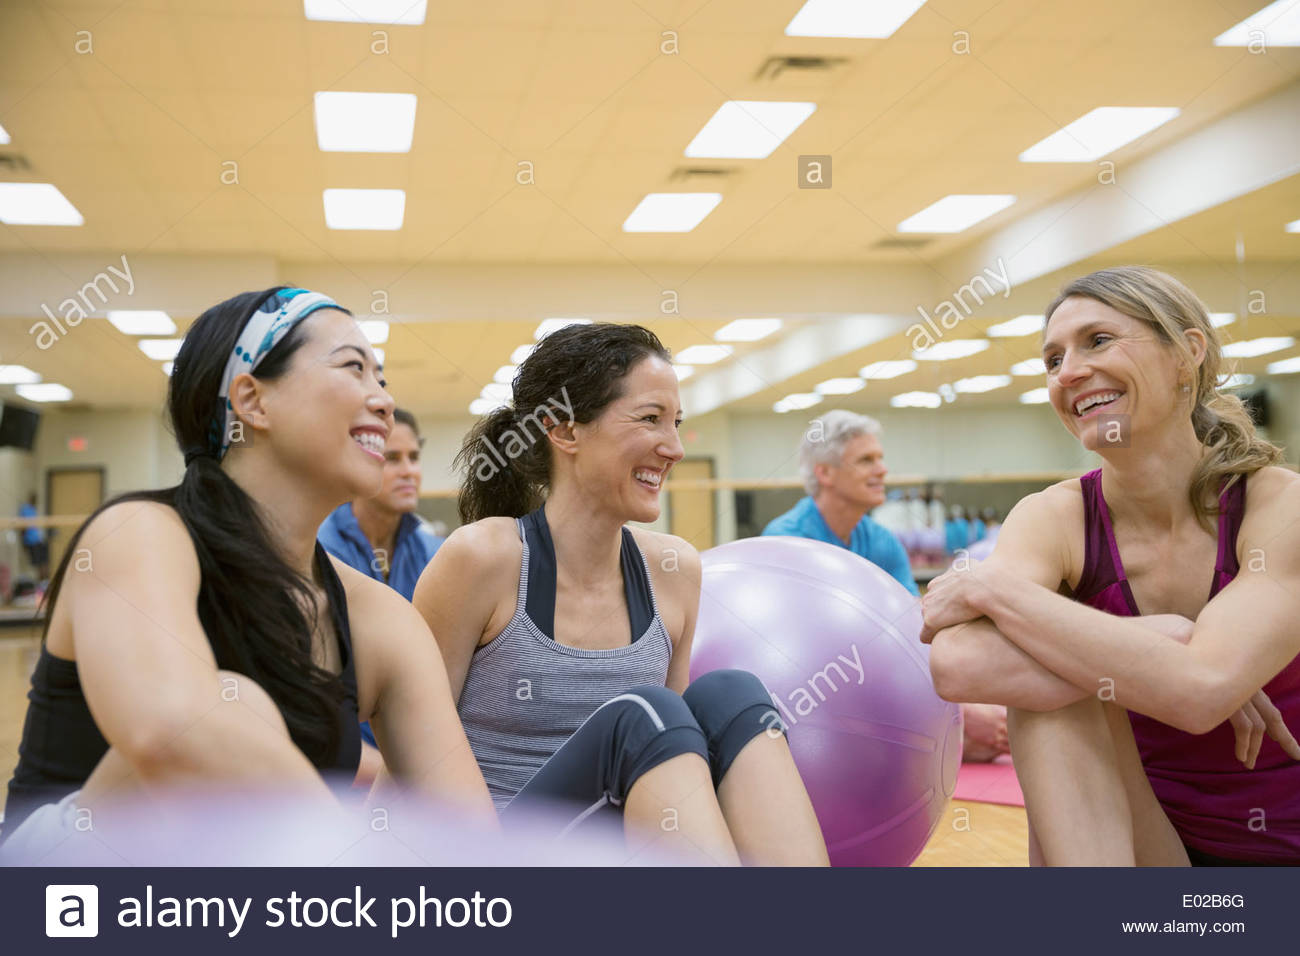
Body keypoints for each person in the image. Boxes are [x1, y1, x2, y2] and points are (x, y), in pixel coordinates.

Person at [1, 287, 493, 857]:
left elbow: (466, 834)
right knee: (234, 702)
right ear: (252, 401)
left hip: (232, 910)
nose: (383, 400)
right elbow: (169, 737)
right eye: (354, 368)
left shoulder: (379, 618)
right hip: (61, 900)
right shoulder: (139, 534)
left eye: (380, 378)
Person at [922, 266, 1300, 865]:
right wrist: (1165, 639)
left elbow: (1200, 693)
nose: (1068, 372)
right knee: (1050, 691)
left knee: (1049, 656)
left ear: (1187, 354)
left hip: (1276, 858)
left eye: (1097, 341)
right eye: (1051, 360)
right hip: (1140, 847)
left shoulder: (1280, 506)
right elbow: (959, 664)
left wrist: (990, 587)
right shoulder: (1056, 516)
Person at [413, 323, 829, 865]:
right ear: (564, 432)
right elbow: (412, 751)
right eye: (650, 419)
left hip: (620, 856)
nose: (675, 448)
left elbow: (679, 762)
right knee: (645, 714)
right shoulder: (481, 559)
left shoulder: (674, 570)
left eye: (676, 423)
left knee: (732, 694)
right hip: (494, 863)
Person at [319, 407, 444, 784]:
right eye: (392, 459)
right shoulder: (319, 549)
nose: (409, 471)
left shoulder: (434, 553)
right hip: (337, 761)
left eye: (414, 457)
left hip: (414, 753)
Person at [763, 410, 918, 596]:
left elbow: (911, 614)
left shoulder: (883, 542)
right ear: (825, 473)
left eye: (880, 458)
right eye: (866, 460)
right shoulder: (784, 541)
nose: (882, 470)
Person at [18, 494, 49, 582]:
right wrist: (24, 542)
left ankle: (43, 581)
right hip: (32, 541)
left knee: (43, 562)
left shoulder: (33, 510)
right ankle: (41, 581)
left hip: (38, 540)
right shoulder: (25, 509)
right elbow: (22, 527)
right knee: (39, 563)